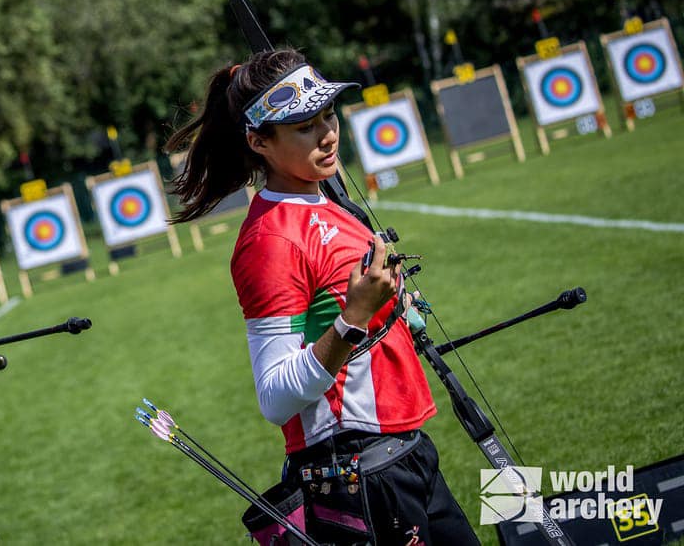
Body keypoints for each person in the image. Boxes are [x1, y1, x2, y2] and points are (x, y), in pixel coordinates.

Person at [168, 49, 477, 546]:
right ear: (259, 141)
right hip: (357, 471)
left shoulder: (323, 199)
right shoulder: (270, 241)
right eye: (304, 126)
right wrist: (356, 315)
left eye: (328, 114)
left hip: (404, 453)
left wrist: (390, 309)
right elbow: (274, 396)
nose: (328, 133)